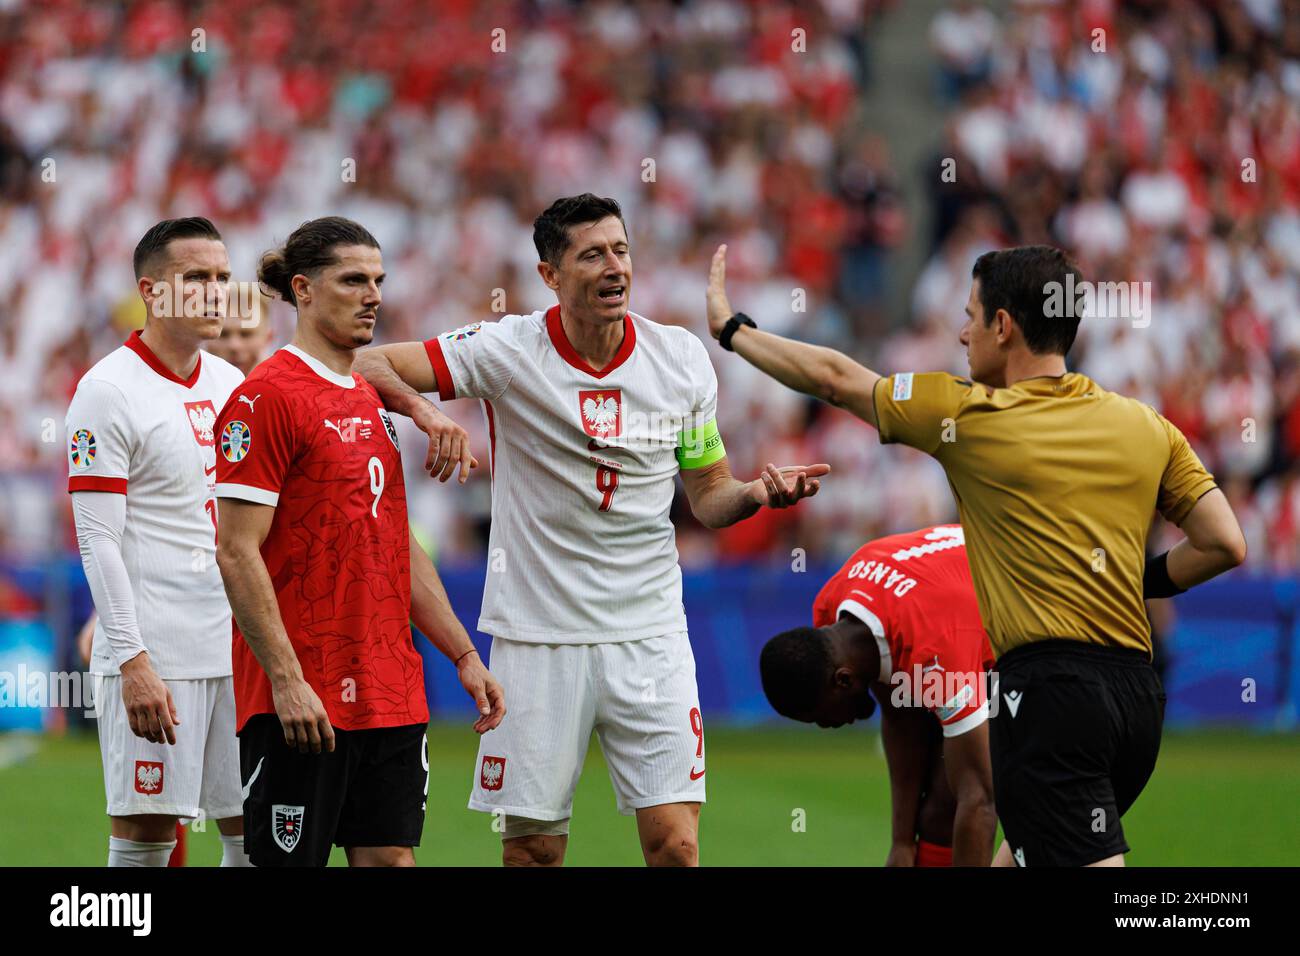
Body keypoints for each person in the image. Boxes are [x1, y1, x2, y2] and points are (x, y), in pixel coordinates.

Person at [706, 243, 1247, 867]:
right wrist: (1138, 581)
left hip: (1050, 697)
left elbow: (834, 378)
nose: (962, 334)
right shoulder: (1146, 424)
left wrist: (731, 328)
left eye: (970, 316)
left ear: (1003, 325)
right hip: (1139, 702)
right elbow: (1224, 543)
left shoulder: (968, 416)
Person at [352, 193, 827, 867]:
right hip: (538, 636)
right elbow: (367, 364)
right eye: (593, 254)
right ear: (550, 275)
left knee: (676, 846)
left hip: (650, 633)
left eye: (622, 250)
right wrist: (426, 415)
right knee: (535, 852)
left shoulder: (680, 359)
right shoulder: (506, 349)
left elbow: (709, 492)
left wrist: (755, 493)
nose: (615, 267)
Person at [214, 216, 505, 867]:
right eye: (353, 280)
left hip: (390, 690)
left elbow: (393, 543)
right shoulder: (264, 398)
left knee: (391, 862)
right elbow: (236, 551)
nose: (373, 293)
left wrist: (462, 655)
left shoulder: (372, 401)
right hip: (303, 695)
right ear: (304, 289)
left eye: (378, 280)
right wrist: (286, 681)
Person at [66, 217, 250, 866]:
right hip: (157, 654)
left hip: (235, 648)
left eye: (222, 278)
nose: (213, 291)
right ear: (152, 290)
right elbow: (98, 540)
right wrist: (133, 659)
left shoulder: (232, 386)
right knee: (145, 840)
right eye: (195, 277)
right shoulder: (107, 390)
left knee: (256, 835)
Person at [760, 525, 997, 866]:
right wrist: (901, 841)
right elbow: (900, 714)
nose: (828, 727)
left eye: (820, 719)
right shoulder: (833, 610)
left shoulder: (935, 652)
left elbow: (979, 801)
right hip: (964, 593)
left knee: (956, 797)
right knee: (936, 815)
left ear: (842, 681)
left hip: (1053, 607)